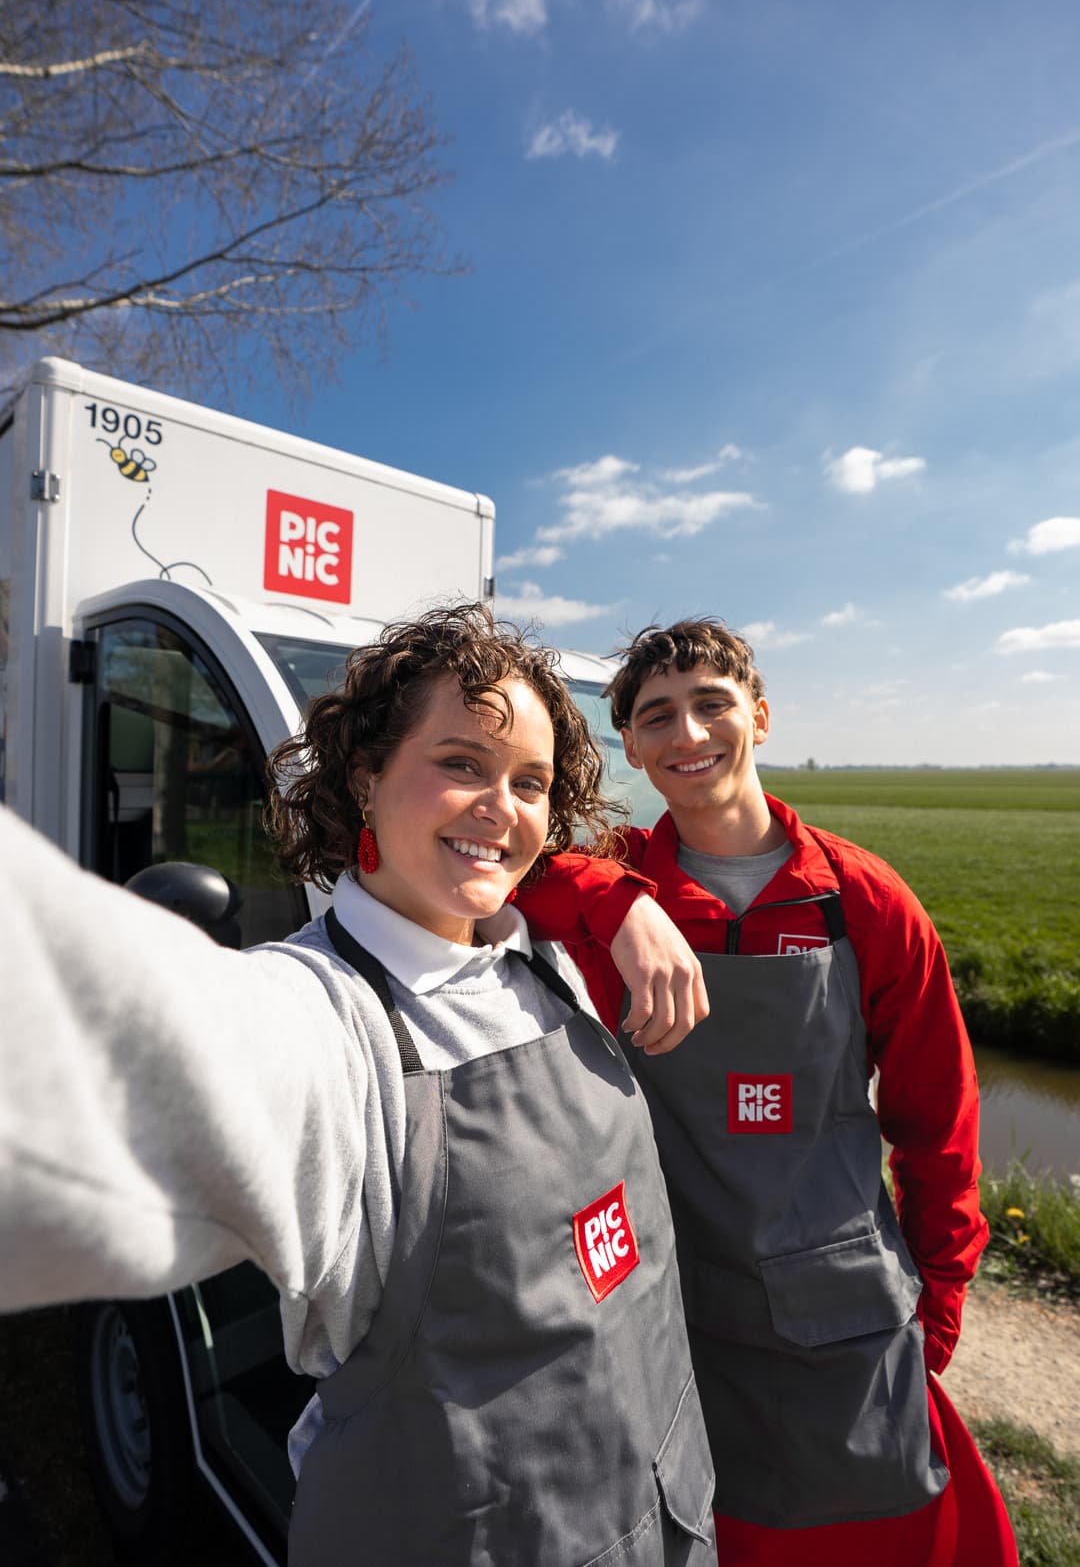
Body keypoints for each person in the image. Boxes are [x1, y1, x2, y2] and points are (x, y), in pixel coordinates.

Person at [0, 603, 717, 1566]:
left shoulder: (546, 959)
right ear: (366, 777)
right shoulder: (328, 1024)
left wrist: (612, 895)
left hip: (669, 1518)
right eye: (461, 763)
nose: (502, 808)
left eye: (531, 783)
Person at [517, 618, 1018, 1567]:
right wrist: (616, 899)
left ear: (761, 717)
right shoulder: (618, 882)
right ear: (631, 747)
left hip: (836, 1304)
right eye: (657, 716)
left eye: (713, 704)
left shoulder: (862, 902)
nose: (688, 734)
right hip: (669, 1304)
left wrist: (940, 1301)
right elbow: (496, 880)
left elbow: (938, 1125)